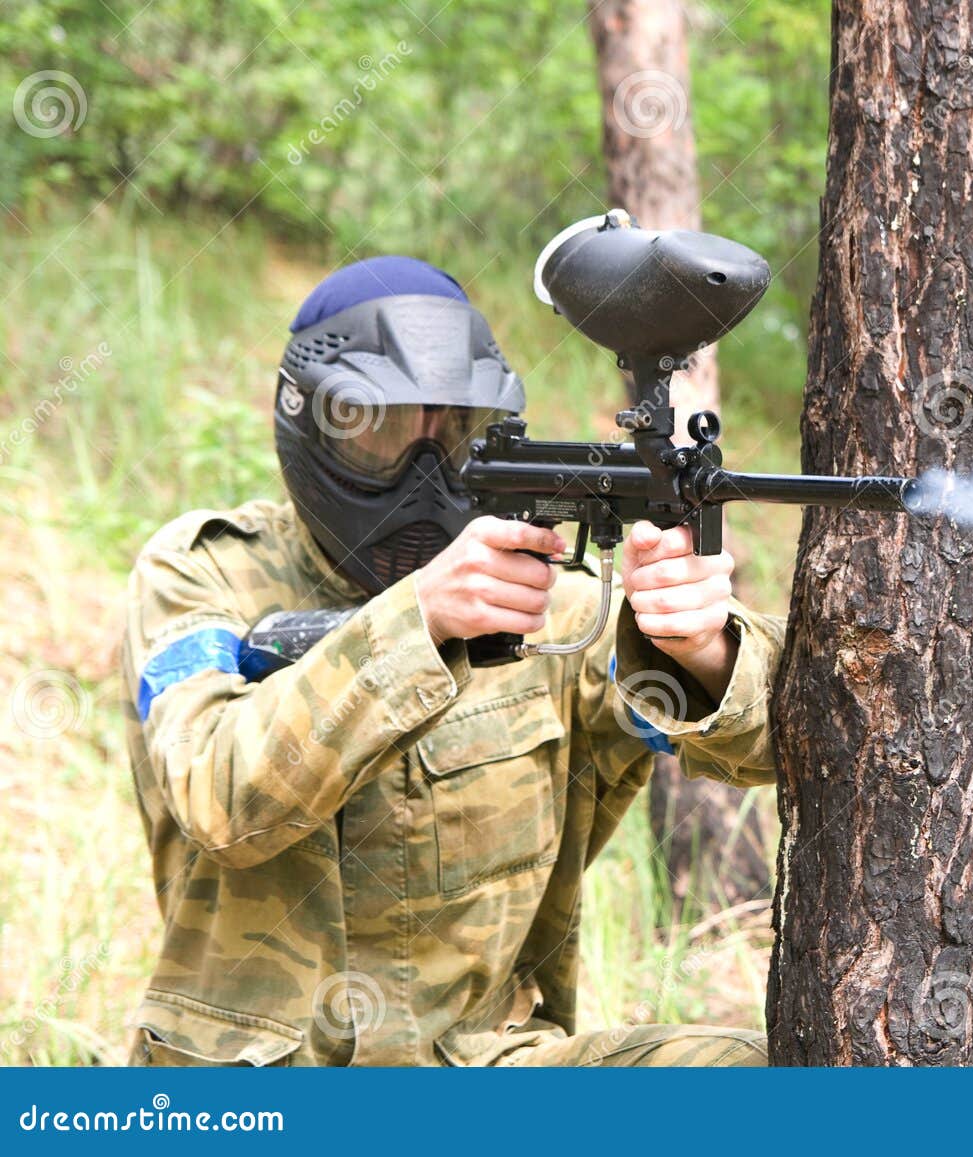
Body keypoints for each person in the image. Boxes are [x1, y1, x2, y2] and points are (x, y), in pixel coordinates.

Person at [121, 257, 781, 1066]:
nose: (423, 472)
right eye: (384, 432)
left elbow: (783, 743)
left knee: (775, 1079)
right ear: (309, 421)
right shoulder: (203, 573)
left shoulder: (555, 608)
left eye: (456, 430)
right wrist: (419, 620)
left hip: (479, 1071)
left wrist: (701, 647)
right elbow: (218, 796)